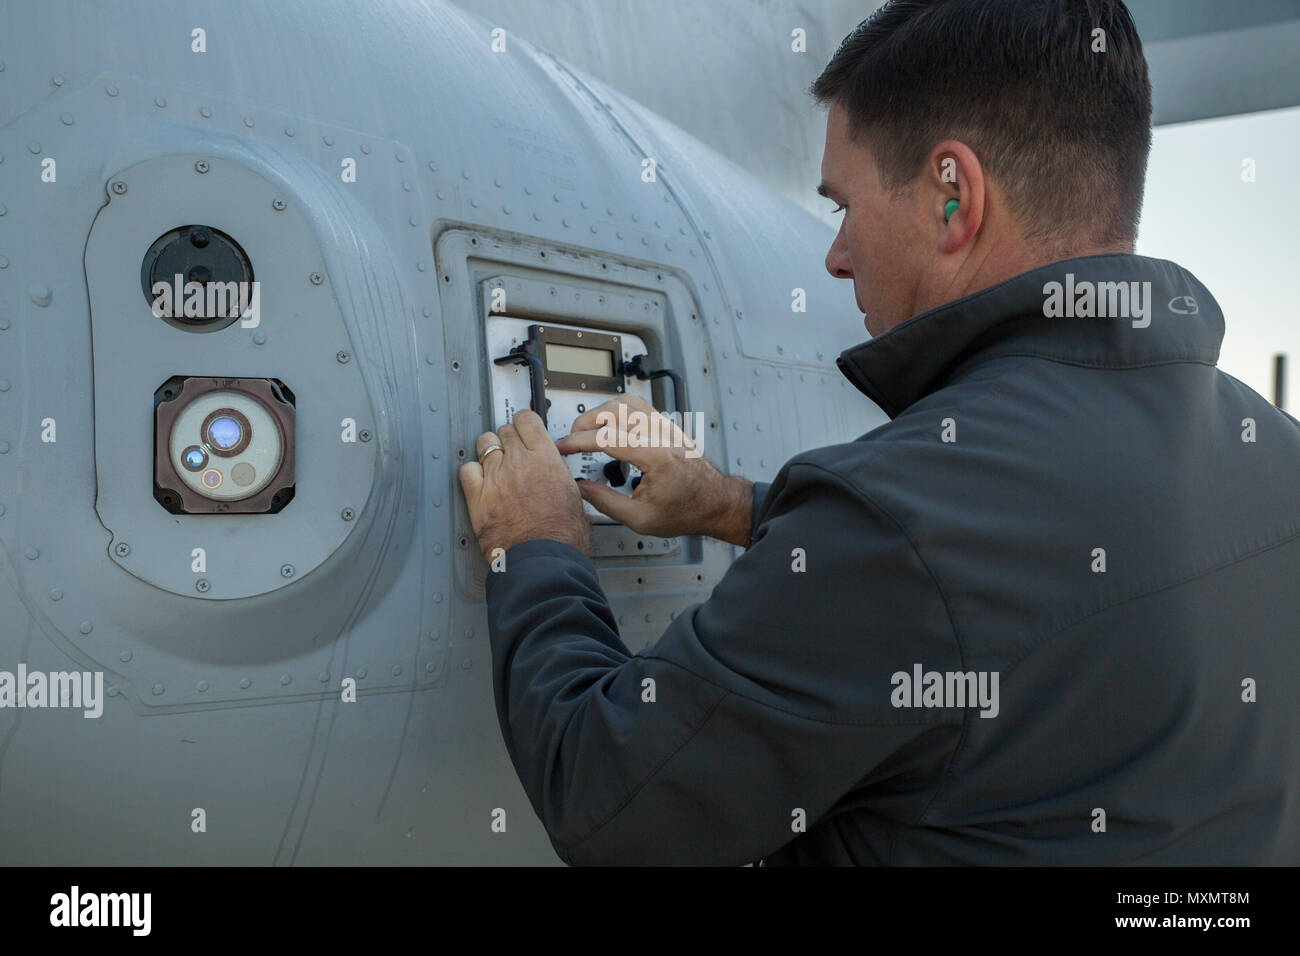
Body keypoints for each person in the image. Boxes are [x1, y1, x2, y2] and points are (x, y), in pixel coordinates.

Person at [457, 0, 1300, 865]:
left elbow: (609, 797)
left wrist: (538, 547)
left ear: (951, 198)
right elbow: (1008, 581)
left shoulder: (903, 522)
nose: (837, 255)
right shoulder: (1276, 454)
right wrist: (735, 507)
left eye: (841, 207)